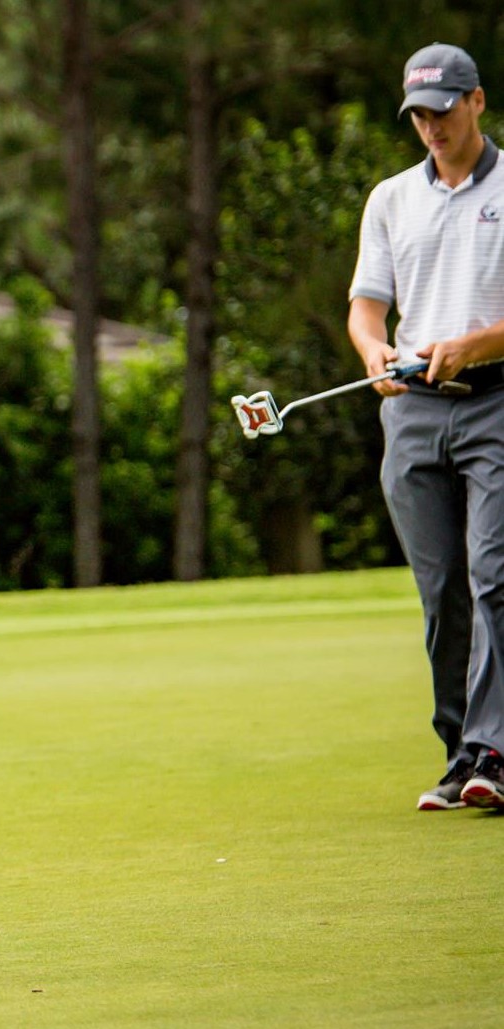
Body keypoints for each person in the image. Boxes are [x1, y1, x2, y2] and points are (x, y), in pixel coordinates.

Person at [348, 42, 504, 812]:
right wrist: (372, 349)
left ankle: (494, 750)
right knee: (441, 589)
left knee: (495, 576)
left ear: (476, 101)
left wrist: (476, 344)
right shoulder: (389, 199)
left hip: (494, 402)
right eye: (418, 115)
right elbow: (366, 304)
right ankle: (459, 753)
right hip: (409, 411)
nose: (430, 127)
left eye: (442, 111)